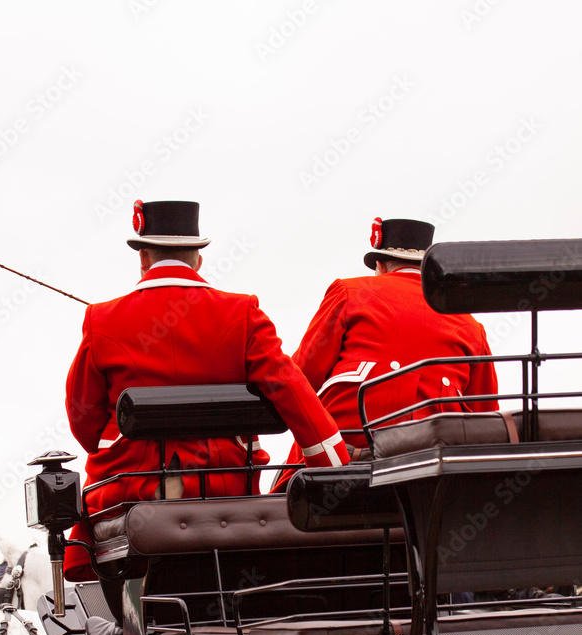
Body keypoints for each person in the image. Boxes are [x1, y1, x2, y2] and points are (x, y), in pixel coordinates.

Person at [64, 200, 349, 580]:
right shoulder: (243, 313)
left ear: (143, 258)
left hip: (131, 491)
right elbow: (294, 395)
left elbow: (82, 419)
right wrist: (336, 470)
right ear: (198, 258)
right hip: (224, 487)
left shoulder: (101, 318)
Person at [282, 217, 498, 466]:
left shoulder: (350, 292)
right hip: (437, 462)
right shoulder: (470, 324)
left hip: (347, 459)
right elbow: (484, 417)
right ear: (428, 271)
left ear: (381, 266)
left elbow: (302, 375)